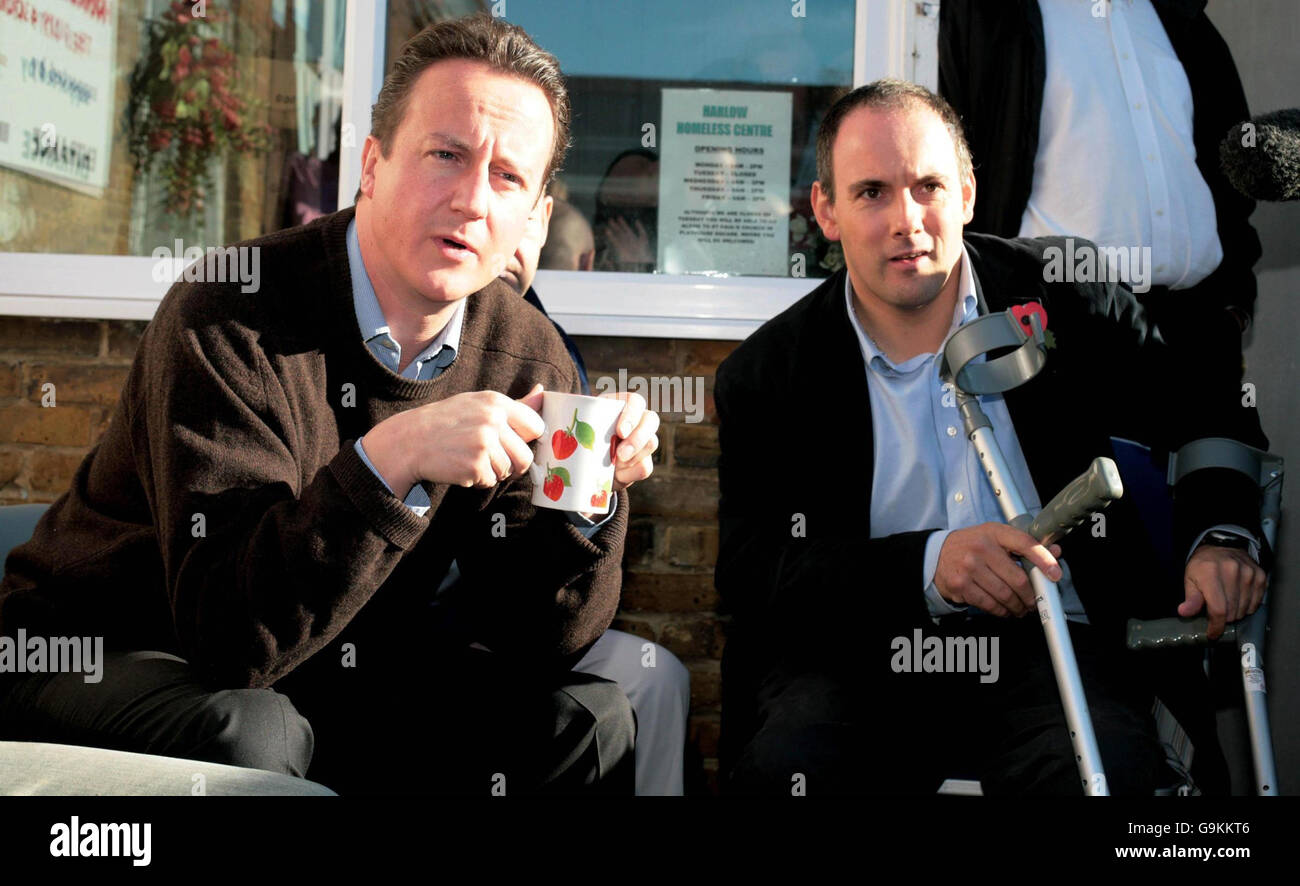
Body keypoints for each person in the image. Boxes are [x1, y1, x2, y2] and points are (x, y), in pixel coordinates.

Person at [0, 14, 661, 796]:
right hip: (107, 653)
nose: (473, 200)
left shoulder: (528, 354)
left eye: (508, 177)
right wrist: (390, 461)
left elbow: (539, 642)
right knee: (254, 731)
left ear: (536, 217)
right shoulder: (230, 313)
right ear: (373, 166)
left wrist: (585, 499)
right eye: (445, 155)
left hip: (330, 667)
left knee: (585, 719)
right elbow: (229, 639)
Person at [714, 79, 1269, 795]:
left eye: (929, 186)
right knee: (790, 772)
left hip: (1057, 649)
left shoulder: (1061, 293)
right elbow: (753, 566)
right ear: (825, 210)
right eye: (872, 192)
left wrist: (1221, 536)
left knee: (1112, 779)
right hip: (860, 657)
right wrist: (930, 565)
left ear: (969, 193)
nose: (906, 220)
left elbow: (1206, 404)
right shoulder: (767, 374)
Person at [490, 192, 691, 796]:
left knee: (659, 678)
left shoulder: (547, 341)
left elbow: (558, 555)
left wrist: (601, 482)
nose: (510, 250)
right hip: (411, 620)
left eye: (529, 229)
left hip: (515, 613)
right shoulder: (425, 325)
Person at [937, 0, 1259, 351]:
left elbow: (1234, 176)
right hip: (1056, 333)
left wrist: (1233, 307)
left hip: (1196, 331)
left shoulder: (1181, 18)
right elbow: (946, 168)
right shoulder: (985, 16)